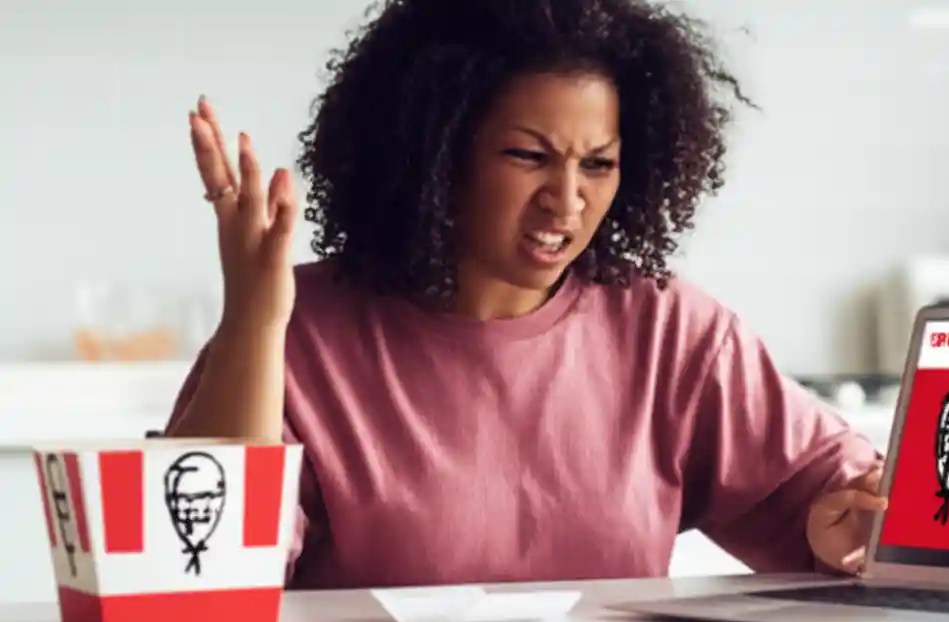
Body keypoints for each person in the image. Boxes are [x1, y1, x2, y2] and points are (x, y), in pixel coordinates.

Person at [166, 0, 886, 590]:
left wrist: (850, 526)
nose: (566, 202)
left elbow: (831, 500)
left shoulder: (672, 336)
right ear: (437, 155)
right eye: (528, 156)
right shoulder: (299, 333)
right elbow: (199, 578)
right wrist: (253, 321)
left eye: (598, 164)